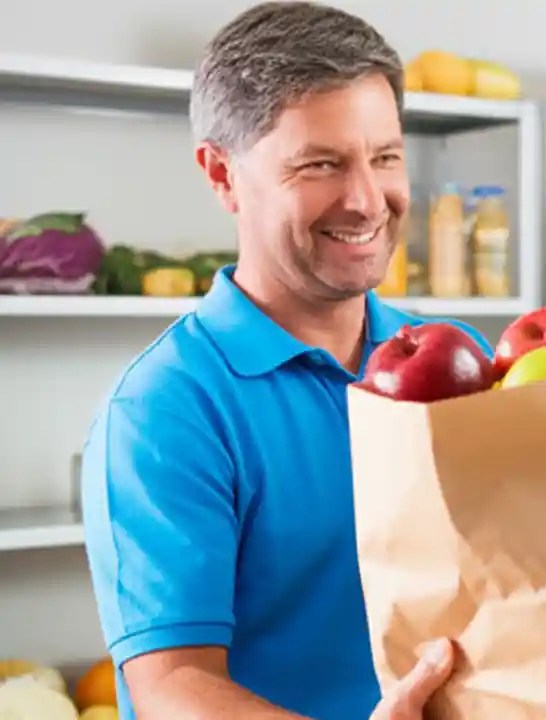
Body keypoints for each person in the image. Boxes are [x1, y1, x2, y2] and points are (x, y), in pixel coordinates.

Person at [78, 2, 485, 718]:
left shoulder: (458, 365)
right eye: (320, 164)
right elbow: (173, 686)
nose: (366, 200)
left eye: (385, 157)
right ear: (222, 175)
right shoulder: (166, 409)